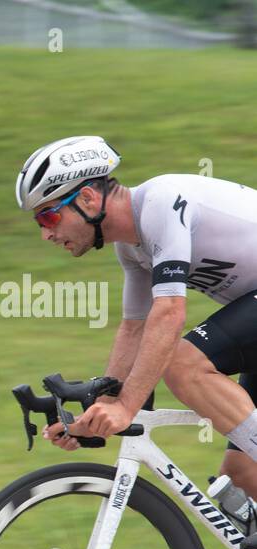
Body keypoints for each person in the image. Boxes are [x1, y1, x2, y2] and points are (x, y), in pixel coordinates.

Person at [19, 136, 257, 511]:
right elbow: (134, 329)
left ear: (87, 199)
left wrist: (126, 407)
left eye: (48, 217)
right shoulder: (132, 248)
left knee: (183, 364)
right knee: (244, 477)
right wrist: (99, 411)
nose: (46, 233)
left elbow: (169, 313)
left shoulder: (162, 202)